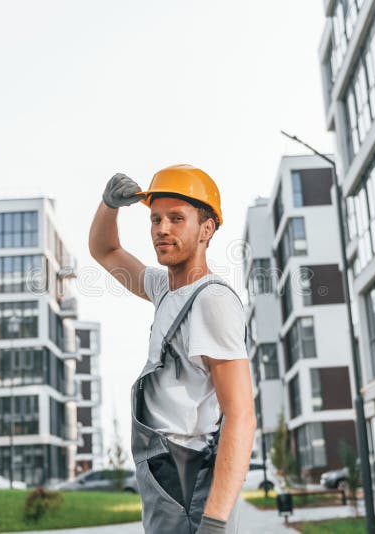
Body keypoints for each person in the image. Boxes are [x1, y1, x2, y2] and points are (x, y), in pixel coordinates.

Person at [88, 164, 256, 534]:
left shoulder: (211, 300)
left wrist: (214, 521)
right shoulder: (165, 289)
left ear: (206, 229)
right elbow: (106, 250)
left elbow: (241, 416)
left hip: (189, 478)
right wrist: (108, 205)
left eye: (176, 219)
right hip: (164, 472)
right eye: (155, 219)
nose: (162, 229)